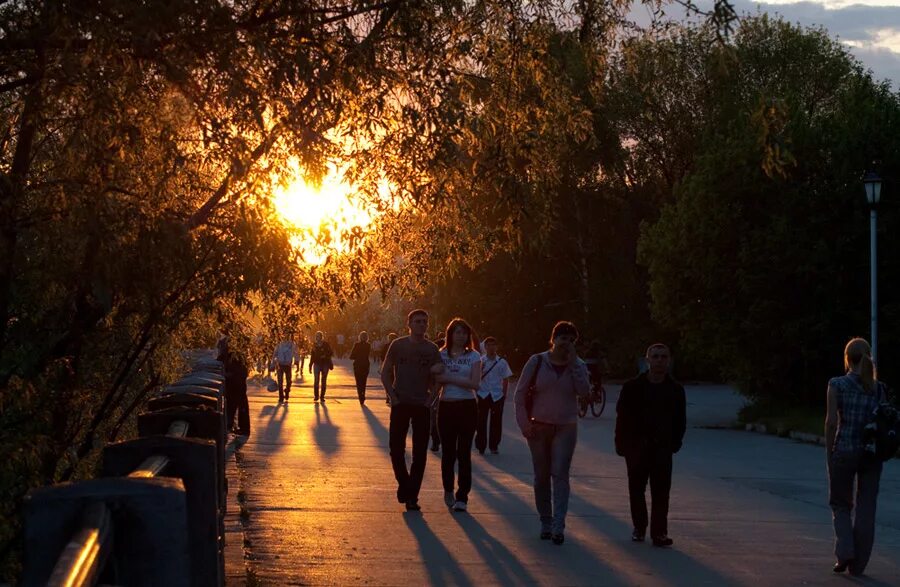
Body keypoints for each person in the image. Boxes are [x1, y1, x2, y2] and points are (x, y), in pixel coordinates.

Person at [514, 321, 591, 545]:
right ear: (553, 339)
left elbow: (584, 391)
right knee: (541, 476)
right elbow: (519, 395)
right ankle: (545, 521)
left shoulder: (577, 365)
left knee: (560, 473)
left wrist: (575, 363)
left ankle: (559, 524)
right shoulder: (537, 362)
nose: (565, 343)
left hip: (566, 427)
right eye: (562, 338)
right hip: (538, 426)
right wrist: (524, 424)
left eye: (570, 340)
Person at [825, 337, 888, 576]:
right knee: (866, 507)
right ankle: (859, 564)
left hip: (845, 450)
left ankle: (845, 553)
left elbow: (831, 423)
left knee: (840, 504)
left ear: (847, 359)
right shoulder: (879, 388)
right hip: (872, 455)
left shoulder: (836, 384)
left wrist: (830, 452)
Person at [615, 343, 686, 548]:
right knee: (636, 489)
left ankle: (659, 533)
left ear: (669, 360)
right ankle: (639, 527)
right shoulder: (632, 387)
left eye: (663, 357)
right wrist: (621, 444)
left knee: (661, 491)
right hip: (636, 447)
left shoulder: (675, 390)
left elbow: (680, 420)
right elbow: (622, 417)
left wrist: (675, 443)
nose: (659, 360)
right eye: (655, 356)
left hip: (662, 448)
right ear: (647, 360)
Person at [381, 309, 443, 511]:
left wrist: (431, 399)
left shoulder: (432, 349)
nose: (422, 325)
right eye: (417, 321)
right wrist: (393, 396)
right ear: (409, 324)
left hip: (421, 406)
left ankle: (412, 496)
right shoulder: (398, 345)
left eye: (425, 321)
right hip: (401, 403)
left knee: (419, 453)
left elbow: (439, 377)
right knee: (396, 449)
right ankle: (405, 484)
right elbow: (385, 371)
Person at [435, 318, 482, 512]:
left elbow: (475, 383)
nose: (461, 336)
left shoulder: (474, 357)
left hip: (467, 407)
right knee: (447, 453)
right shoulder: (441, 354)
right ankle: (448, 489)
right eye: (457, 332)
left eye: (464, 332)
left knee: (464, 452)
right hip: (446, 406)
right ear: (450, 334)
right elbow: (437, 378)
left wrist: (450, 378)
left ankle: (462, 496)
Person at [475, 337, 513, 455]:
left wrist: (504, 394)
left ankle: (494, 445)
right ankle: (481, 446)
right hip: (483, 394)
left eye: (493, 345)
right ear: (485, 347)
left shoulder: (502, 362)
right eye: (489, 345)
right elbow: (475, 377)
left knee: (496, 422)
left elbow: (506, 379)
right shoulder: (481, 361)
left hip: (497, 395)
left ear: (497, 347)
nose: (491, 348)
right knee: (481, 421)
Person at [218, 340, 250, 437]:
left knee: (238, 407)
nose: (219, 349)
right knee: (237, 407)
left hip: (236, 386)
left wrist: (229, 375)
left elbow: (243, 372)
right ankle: (238, 427)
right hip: (235, 386)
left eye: (220, 347)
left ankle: (240, 428)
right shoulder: (231, 356)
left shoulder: (232, 357)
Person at [309, 331, 334, 402]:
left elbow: (331, 352)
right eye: (316, 336)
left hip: (325, 364)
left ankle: (322, 396)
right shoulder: (314, 345)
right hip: (316, 364)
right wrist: (310, 365)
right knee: (316, 380)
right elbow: (312, 356)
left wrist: (325, 355)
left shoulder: (326, 344)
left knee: (323, 380)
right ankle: (316, 396)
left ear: (321, 337)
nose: (317, 338)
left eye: (319, 336)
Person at [271, 336, 298, 403]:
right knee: (280, 382)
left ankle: (287, 390)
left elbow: (295, 352)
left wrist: (296, 360)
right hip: (280, 365)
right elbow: (275, 354)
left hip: (288, 365)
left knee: (289, 381)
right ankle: (281, 397)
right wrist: (273, 364)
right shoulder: (279, 344)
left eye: (286, 336)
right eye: (283, 336)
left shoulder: (292, 344)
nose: (285, 338)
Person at [349, 331, 371, 405]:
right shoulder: (368, 345)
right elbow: (367, 354)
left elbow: (352, 356)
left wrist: (356, 356)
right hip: (365, 365)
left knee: (358, 382)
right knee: (364, 382)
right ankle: (363, 395)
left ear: (360, 337)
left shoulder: (357, 345)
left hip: (358, 365)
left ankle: (361, 397)